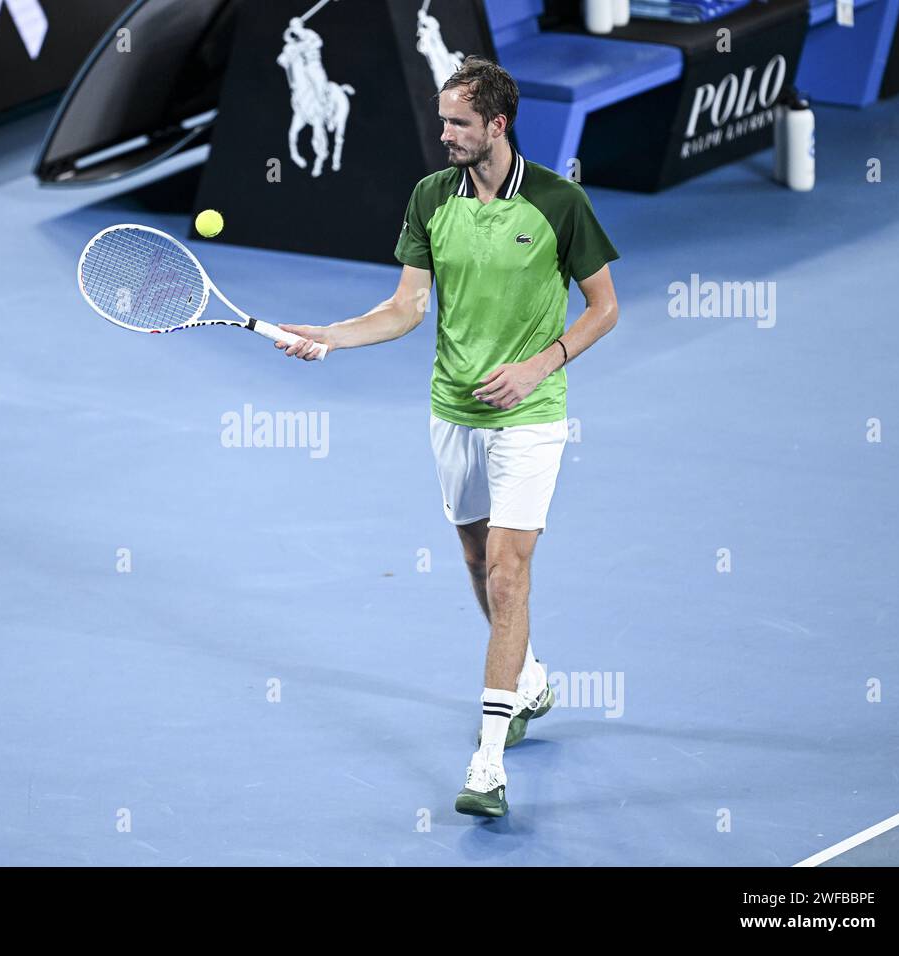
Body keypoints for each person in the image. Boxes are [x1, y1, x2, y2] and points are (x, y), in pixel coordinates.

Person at [273, 57, 621, 817]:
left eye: (459, 123)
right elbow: (405, 308)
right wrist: (330, 335)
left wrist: (537, 366)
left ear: (498, 124)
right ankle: (528, 676)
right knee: (474, 558)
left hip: (530, 414)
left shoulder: (560, 202)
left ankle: (488, 763)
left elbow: (604, 308)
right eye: (443, 121)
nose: (445, 135)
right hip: (453, 411)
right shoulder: (431, 197)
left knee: (508, 573)